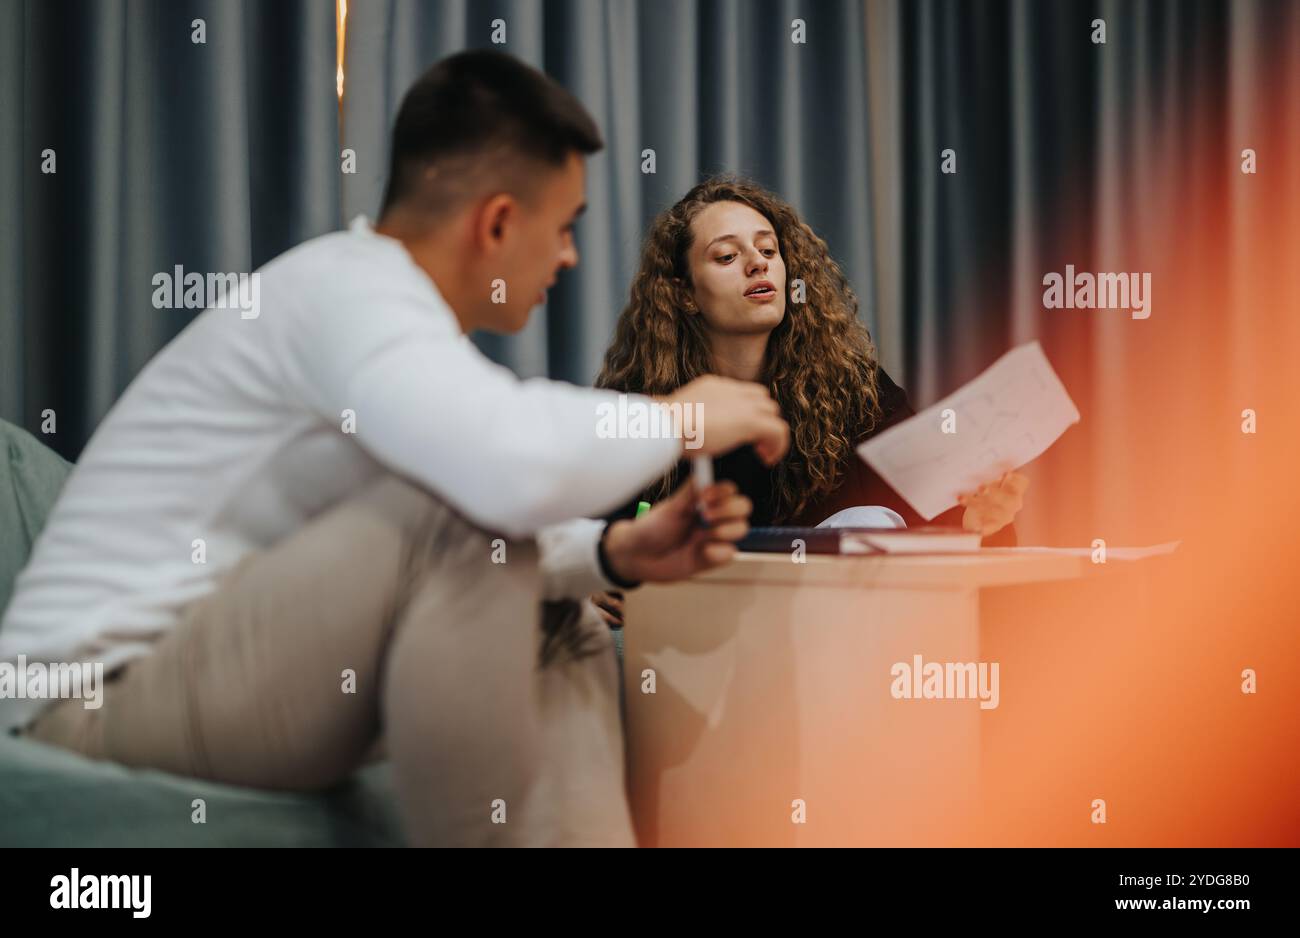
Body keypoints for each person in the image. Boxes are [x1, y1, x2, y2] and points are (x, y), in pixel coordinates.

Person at [0, 52, 789, 847]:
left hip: (218, 670)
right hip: (88, 701)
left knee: (558, 620)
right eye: (562, 228)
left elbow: (487, 496)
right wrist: (681, 420)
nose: (568, 257)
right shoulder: (348, 296)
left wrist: (617, 551)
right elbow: (497, 473)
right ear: (497, 223)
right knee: (462, 520)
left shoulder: (391, 327)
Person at [591, 176, 1026, 626]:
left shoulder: (854, 389)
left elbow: (934, 526)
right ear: (684, 294)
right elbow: (588, 543)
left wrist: (981, 521)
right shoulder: (644, 406)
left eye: (767, 250)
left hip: (834, 649)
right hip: (692, 643)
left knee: (868, 521)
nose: (757, 264)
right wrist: (587, 582)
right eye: (726, 256)